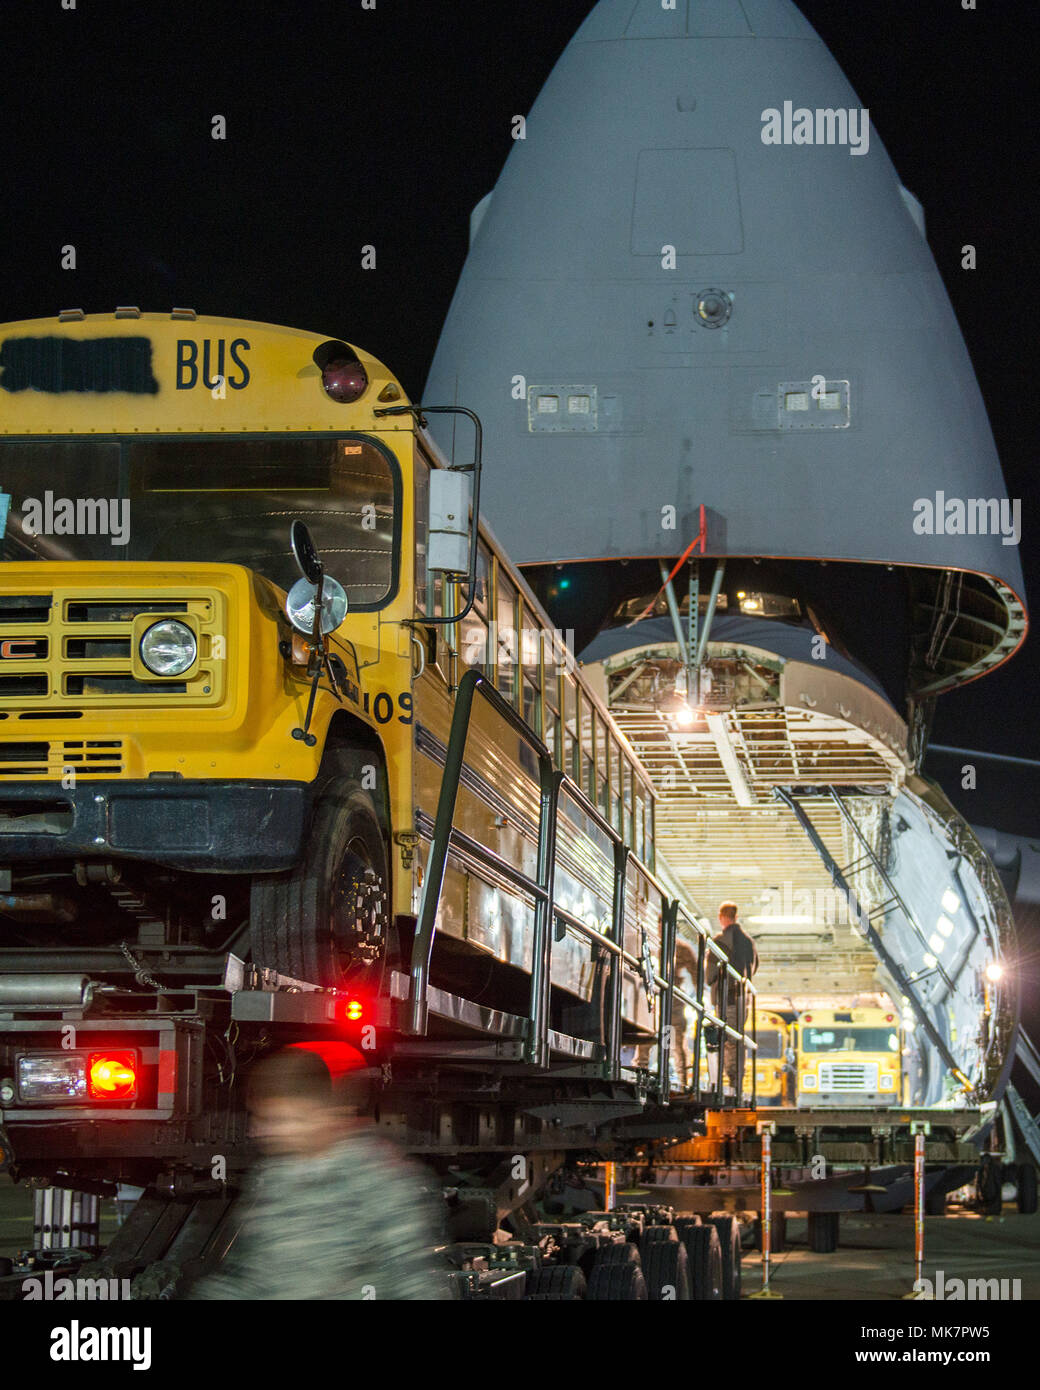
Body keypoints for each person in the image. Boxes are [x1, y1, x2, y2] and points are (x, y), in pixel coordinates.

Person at [188, 1047, 448, 1299]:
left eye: (287, 1120)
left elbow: (416, 1285)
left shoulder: (383, 1182)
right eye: (265, 1119)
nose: (269, 1131)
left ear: (325, 1115)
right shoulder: (273, 1178)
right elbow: (250, 1277)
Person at [705, 902, 759, 1094]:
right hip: (743, 1000)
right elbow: (755, 965)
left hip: (727, 997)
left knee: (728, 1039)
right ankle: (737, 1082)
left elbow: (709, 976)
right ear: (736, 917)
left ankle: (731, 1083)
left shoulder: (720, 940)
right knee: (738, 1038)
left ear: (721, 917)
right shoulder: (748, 941)